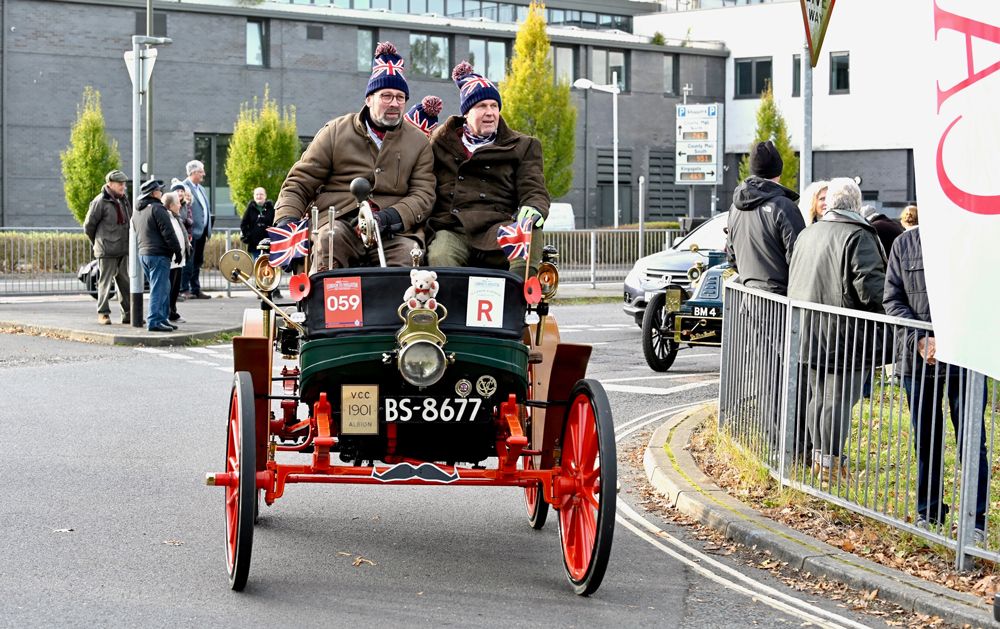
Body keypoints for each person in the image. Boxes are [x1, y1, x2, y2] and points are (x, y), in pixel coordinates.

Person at [274, 41, 434, 271]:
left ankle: (397, 308)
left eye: (400, 97)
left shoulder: (419, 142)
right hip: (339, 222)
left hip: (393, 230)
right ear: (369, 99)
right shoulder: (335, 131)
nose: (394, 104)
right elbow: (300, 181)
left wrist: (388, 218)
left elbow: (424, 193)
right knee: (329, 239)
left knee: (408, 255)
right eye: (386, 96)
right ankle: (325, 305)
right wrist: (286, 221)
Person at [883, 226, 988, 542]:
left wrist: (956, 337)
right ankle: (929, 513)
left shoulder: (972, 237)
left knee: (972, 441)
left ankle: (975, 521)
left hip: (966, 359)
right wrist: (920, 340)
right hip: (918, 361)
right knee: (926, 439)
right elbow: (892, 298)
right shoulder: (904, 243)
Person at [788, 178, 887, 481]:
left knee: (818, 398)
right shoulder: (858, 235)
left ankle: (820, 460)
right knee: (838, 400)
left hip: (808, 331)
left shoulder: (808, 233)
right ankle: (830, 467)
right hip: (844, 336)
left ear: (830, 203)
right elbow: (872, 289)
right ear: (856, 204)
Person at [426, 61, 549, 275]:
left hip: (498, 227)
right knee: (440, 255)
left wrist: (534, 208)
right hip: (453, 228)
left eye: (494, 106)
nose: (490, 112)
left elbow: (534, 188)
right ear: (466, 112)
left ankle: (517, 302)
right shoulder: (440, 142)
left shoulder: (523, 145)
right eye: (482, 106)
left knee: (530, 229)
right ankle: (454, 309)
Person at [726, 140, 805, 295]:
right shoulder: (784, 207)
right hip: (779, 302)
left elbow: (731, 256)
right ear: (779, 172)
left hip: (747, 299)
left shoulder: (735, 208)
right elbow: (799, 260)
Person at [83, 169, 132, 325]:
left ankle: (128, 314)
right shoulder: (100, 201)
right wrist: (98, 243)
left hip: (123, 248)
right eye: (120, 184)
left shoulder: (124, 200)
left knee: (125, 282)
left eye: (124, 184)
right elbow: (88, 226)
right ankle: (103, 313)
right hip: (106, 249)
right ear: (110, 184)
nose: (123, 187)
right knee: (105, 282)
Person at [133, 180, 182, 332]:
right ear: (154, 193)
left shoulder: (138, 211)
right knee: (159, 289)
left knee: (163, 287)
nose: (161, 193)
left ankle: (162, 319)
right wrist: (178, 251)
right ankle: (154, 321)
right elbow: (168, 232)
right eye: (159, 191)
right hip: (159, 255)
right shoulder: (158, 209)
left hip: (144, 254)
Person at [183, 160, 213, 299]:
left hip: (201, 232)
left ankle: (195, 288)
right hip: (191, 232)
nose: (204, 174)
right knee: (188, 262)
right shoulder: (184, 187)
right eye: (201, 171)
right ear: (193, 172)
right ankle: (184, 289)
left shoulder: (200, 188)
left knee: (197, 261)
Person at [164, 191, 191, 324]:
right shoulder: (166, 218)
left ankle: (172, 312)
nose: (180, 205)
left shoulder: (176, 217)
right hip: (171, 260)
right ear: (170, 205)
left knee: (175, 289)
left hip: (179, 260)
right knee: (169, 289)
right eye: (178, 203)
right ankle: (168, 313)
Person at [240, 187, 275, 258]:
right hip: (254, 245)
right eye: (257, 194)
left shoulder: (271, 209)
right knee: (257, 265)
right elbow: (243, 225)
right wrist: (249, 236)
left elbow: (275, 224)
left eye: (261, 194)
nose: (259, 196)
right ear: (254, 196)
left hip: (269, 245)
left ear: (265, 196)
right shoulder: (250, 209)